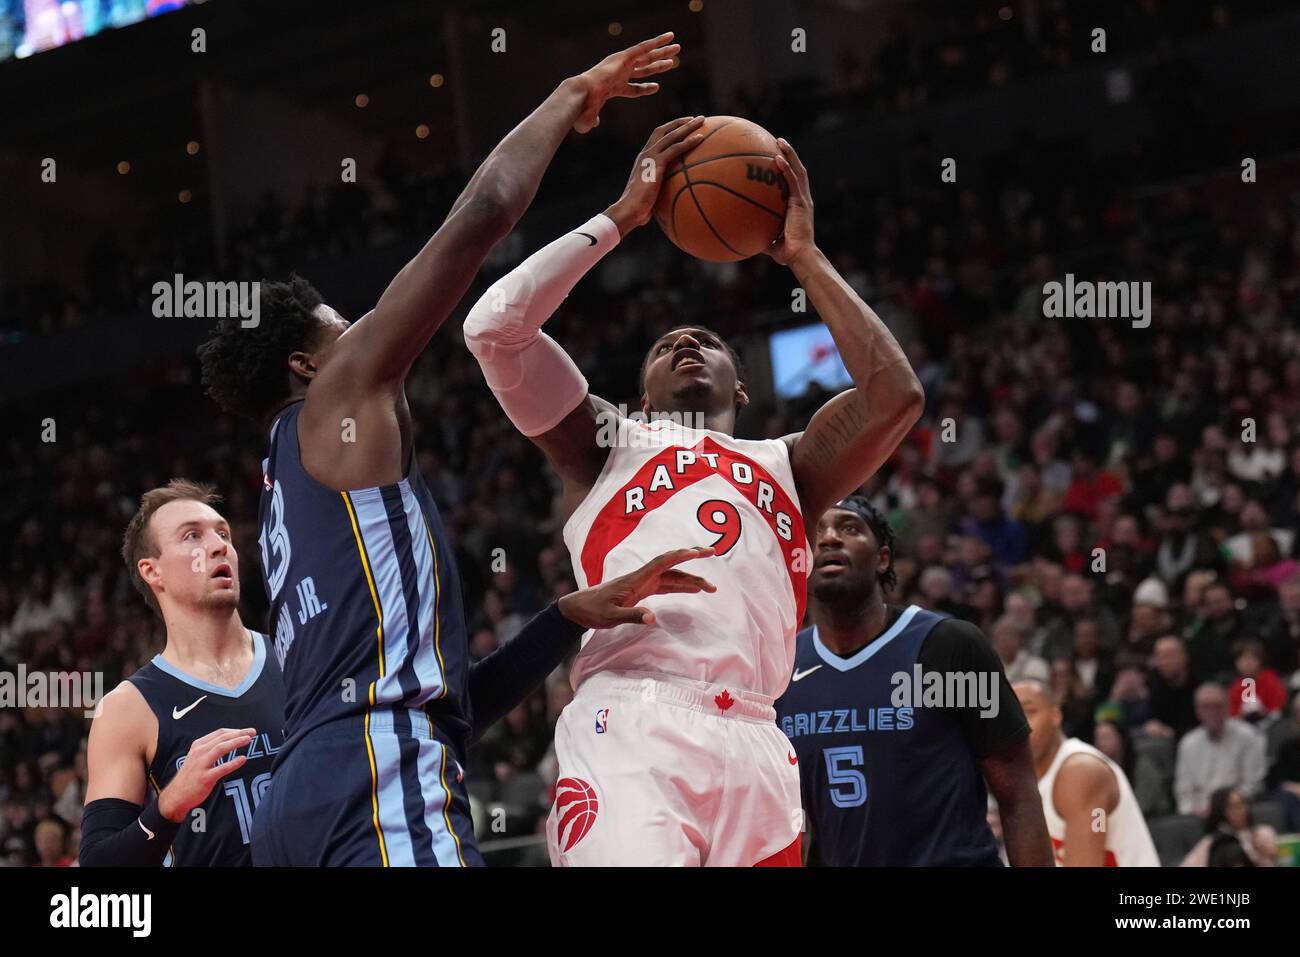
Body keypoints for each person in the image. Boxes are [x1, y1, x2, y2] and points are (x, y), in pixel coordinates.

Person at [196, 33, 695, 867]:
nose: (364, 330)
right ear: (306, 362)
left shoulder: (287, 483)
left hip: (311, 793)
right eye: (340, 325)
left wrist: (563, 617)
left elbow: (447, 707)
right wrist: (575, 94)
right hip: (373, 768)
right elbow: (484, 214)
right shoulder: (338, 398)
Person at [464, 123, 925, 866]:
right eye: (663, 346)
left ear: (740, 386)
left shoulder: (793, 464)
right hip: (634, 719)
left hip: (757, 740)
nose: (684, 345)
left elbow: (897, 394)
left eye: (705, 341)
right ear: (640, 396)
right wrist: (622, 216)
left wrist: (803, 256)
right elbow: (494, 329)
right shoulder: (607, 442)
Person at [777, 498, 1051, 866]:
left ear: (883, 559)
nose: (828, 539)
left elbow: (1018, 792)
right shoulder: (782, 669)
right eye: (816, 531)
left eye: (849, 528)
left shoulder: (948, 646)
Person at [81, 481, 285, 866]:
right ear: (152, 571)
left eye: (223, 533)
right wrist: (170, 804)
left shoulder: (299, 654)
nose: (219, 545)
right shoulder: (128, 708)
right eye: (192, 536)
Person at [1015, 681, 1159, 866]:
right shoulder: (1022, 779)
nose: (1017, 725)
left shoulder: (1081, 772)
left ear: (1055, 715)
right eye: (1008, 717)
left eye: (1028, 712)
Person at [1174, 683, 1267, 817]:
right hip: (1199, 814)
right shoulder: (1188, 743)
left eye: (1218, 706)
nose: (1212, 712)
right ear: (1198, 711)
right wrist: (1190, 810)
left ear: (1228, 707)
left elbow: (1252, 784)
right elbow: (1183, 789)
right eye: (1206, 707)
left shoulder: (1248, 736)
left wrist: (1226, 807)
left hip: (1238, 811)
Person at [1180, 786, 1277, 867]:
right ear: (1220, 812)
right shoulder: (1212, 842)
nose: (1240, 811)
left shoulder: (1264, 833)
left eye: (1242, 804)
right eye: (1232, 807)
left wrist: (1267, 856)